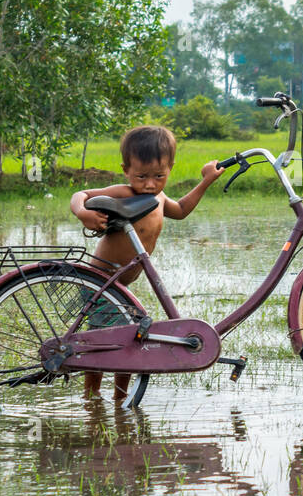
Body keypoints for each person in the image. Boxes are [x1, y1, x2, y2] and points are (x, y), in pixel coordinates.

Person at [69, 124, 226, 401]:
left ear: (170, 168)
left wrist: (206, 181)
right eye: (141, 176)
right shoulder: (126, 192)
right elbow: (81, 195)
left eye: (159, 175)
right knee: (107, 342)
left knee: (129, 338)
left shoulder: (160, 198)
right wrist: (83, 212)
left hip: (121, 286)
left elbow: (182, 211)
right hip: (101, 281)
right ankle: (91, 398)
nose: (150, 184)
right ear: (126, 170)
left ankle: (119, 397)